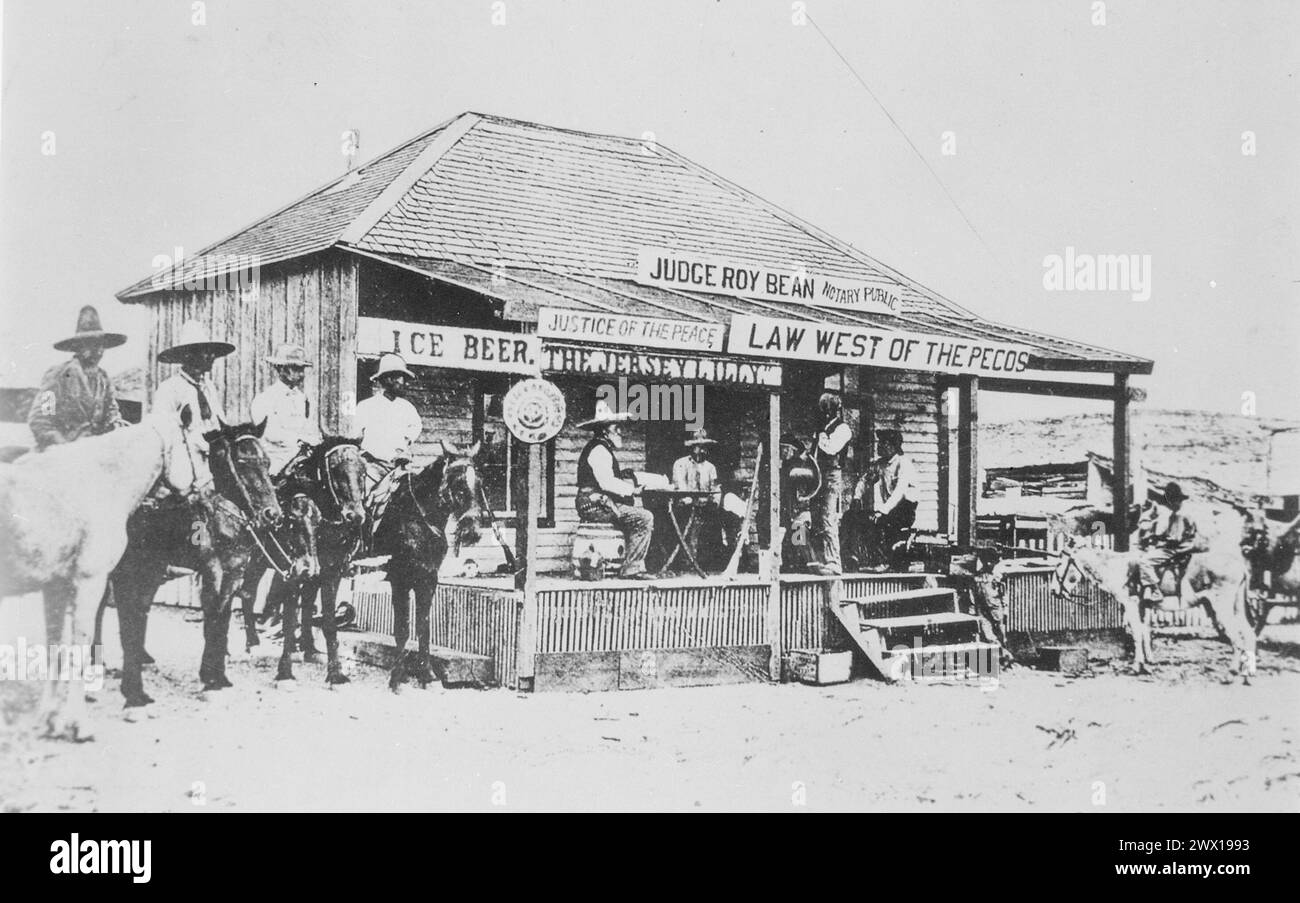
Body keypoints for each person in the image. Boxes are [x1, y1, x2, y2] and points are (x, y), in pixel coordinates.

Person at [28, 305, 129, 450]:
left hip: (93, 452)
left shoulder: (103, 379)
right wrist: (63, 446)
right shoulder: (58, 376)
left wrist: (116, 425)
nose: (99, 352)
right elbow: (41, 419)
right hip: (59, 453)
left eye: (101, 346)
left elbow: (112, 413)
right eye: (92, 346)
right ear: (78, 347)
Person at [575, 401, 655, 580]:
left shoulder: (601, 449)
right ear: (605, 430)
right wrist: (633, 491)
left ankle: (624, 564)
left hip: (597, 503)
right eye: (616, 428)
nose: (620, 432)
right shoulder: (599, 450)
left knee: (633, 513)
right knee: (644, 517)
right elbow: (607, 483)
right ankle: (632, 568)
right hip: (594, 504)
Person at [153, 320, 235, 487]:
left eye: (213, 353)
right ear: (189, 356)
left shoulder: (209, 387)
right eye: (206, 352)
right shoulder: (170, 388)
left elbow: (220, 422)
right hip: (185, 463)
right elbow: (161, 432)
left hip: (214, 459)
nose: (212, 357)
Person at [353, 352, 424, 512]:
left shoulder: (406, 407)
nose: (402, 382)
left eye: (403, 378)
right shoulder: (366, 406)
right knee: (365, 503)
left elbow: (416, 426)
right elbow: (355, 435)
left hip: (399, 468)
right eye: (399, 377)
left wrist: (406, 442)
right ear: (387, 379)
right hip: (373, 468)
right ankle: (362, 535)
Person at [670, 429, 745, 570]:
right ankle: (687, 563)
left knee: (724, 521)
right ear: (692, 447)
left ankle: (713, 562)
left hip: (705, 506)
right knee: (689, 526)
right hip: (684, 506)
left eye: (705, 447)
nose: (702, 450)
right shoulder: (680, 464)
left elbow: (715, 488)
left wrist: (714, 501)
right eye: (699, 446)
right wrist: (690, 500)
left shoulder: (710, 468)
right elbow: (680, 487)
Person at [251, 343, 321, 475]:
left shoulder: (304, 399)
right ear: (281, 369)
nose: (301, 374)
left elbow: (311, 429)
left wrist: (313, 441)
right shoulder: (265, 399)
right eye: (295, 369)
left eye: (302, 369)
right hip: (277, 461)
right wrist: (299, 440)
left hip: (304, 459)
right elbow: (269, 433)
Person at [808, 393, 852, 576]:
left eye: (827, 410)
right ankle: (818, 560)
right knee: (815, 518)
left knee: (827, 517)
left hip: (831, 475)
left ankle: (834, 561)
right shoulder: (822, 428)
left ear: (835, 410)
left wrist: (821, 434)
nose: (825, 414)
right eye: (822, 410)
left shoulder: (843, 429)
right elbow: (815, 451)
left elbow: (830, 448)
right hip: (817, 474)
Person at [865, 429, 919, 572]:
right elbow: (865, 480)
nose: (879, 446)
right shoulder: (879, 464)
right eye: (880, 442)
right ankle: (864, 558)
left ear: (893, 446)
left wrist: (882, 511)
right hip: (890, 507)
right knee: (861, 519)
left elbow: (899, 492)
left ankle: (884, 562)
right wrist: (857, 497)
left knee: (881, 522)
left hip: (905, 508)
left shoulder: (903, 464)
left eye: (884, 443)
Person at [1136, 481, 1199, 602]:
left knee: (1144, 561)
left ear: (1173, 500)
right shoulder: (1185, 512)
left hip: (1177, 549)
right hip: (1185, 545)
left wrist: (1157, 539)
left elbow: (1174, 539)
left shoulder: (1179, 515)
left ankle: (1155, 591)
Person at [779, 433, 814, 571]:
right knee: (786, 536)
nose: (785, 452)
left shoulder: (798, 465)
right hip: (786, 508)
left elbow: (807, 481)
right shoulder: (784, 466)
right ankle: (789, 564)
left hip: (799, 508)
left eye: (787, 449)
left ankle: (804, 564)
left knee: (798, 532)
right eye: (783, 449)